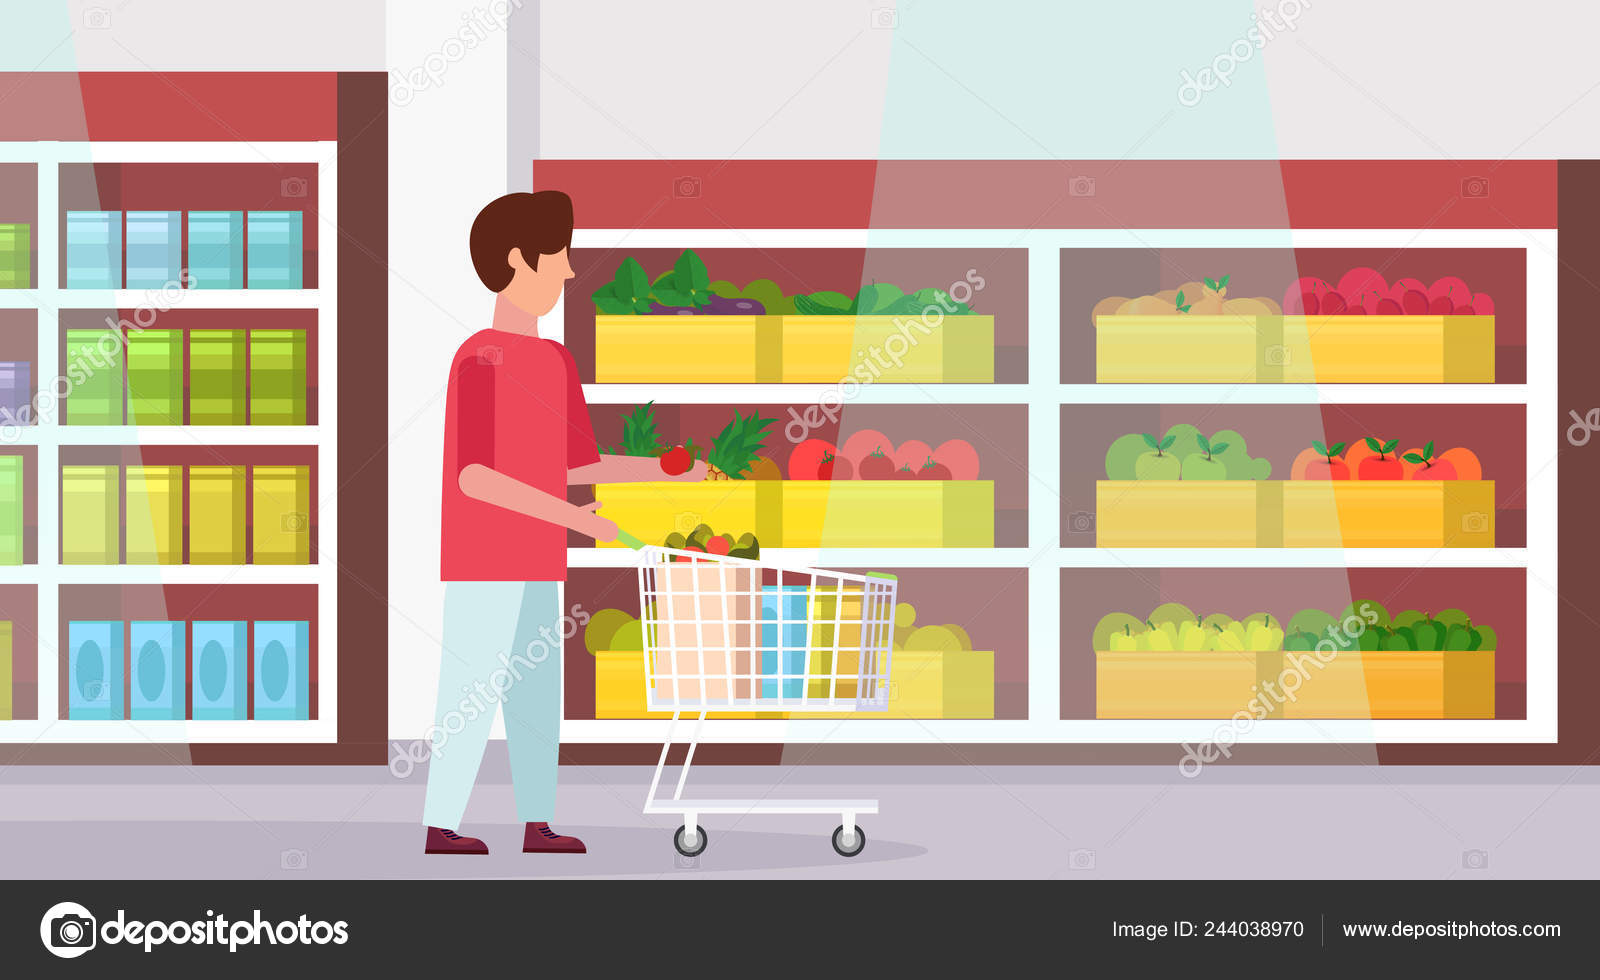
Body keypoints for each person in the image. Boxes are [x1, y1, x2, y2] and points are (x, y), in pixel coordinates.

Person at [423, 191, 704, 855]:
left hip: (540, 558)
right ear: (519, 260)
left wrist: (661, 472)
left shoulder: (555, 363)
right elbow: (476, 478)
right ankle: (441, 825)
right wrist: (576, 521)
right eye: (559, 256)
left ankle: (536, 822)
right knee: (469, 688)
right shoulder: (479, 359)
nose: (570, 272)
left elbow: (576, 464)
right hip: (484, 559)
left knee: (534, 692)